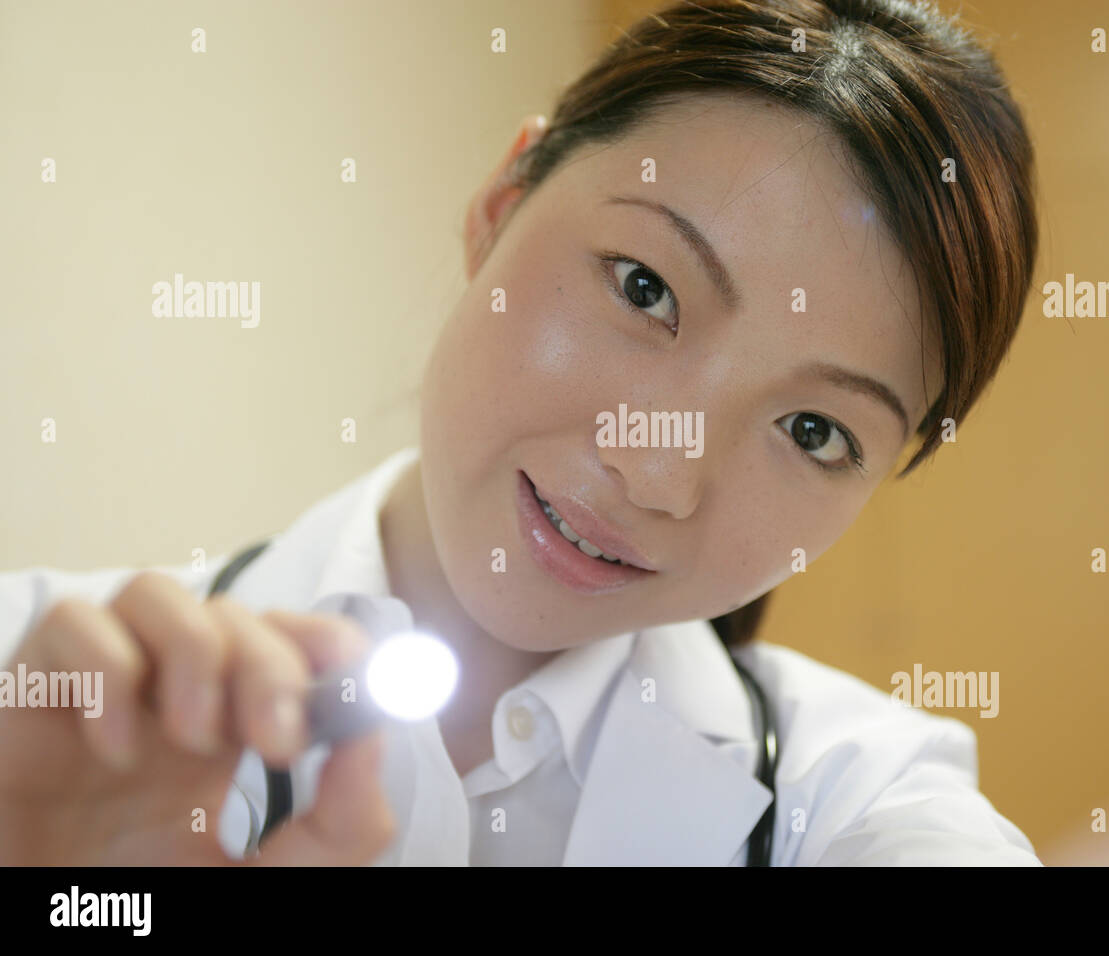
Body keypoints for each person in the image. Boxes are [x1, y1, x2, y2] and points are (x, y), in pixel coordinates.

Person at [0, 0, 1040, 865]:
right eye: (646, 287)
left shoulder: (857, 798)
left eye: (813, 428)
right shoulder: (35, 683)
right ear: (501, 204)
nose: (658, 470)